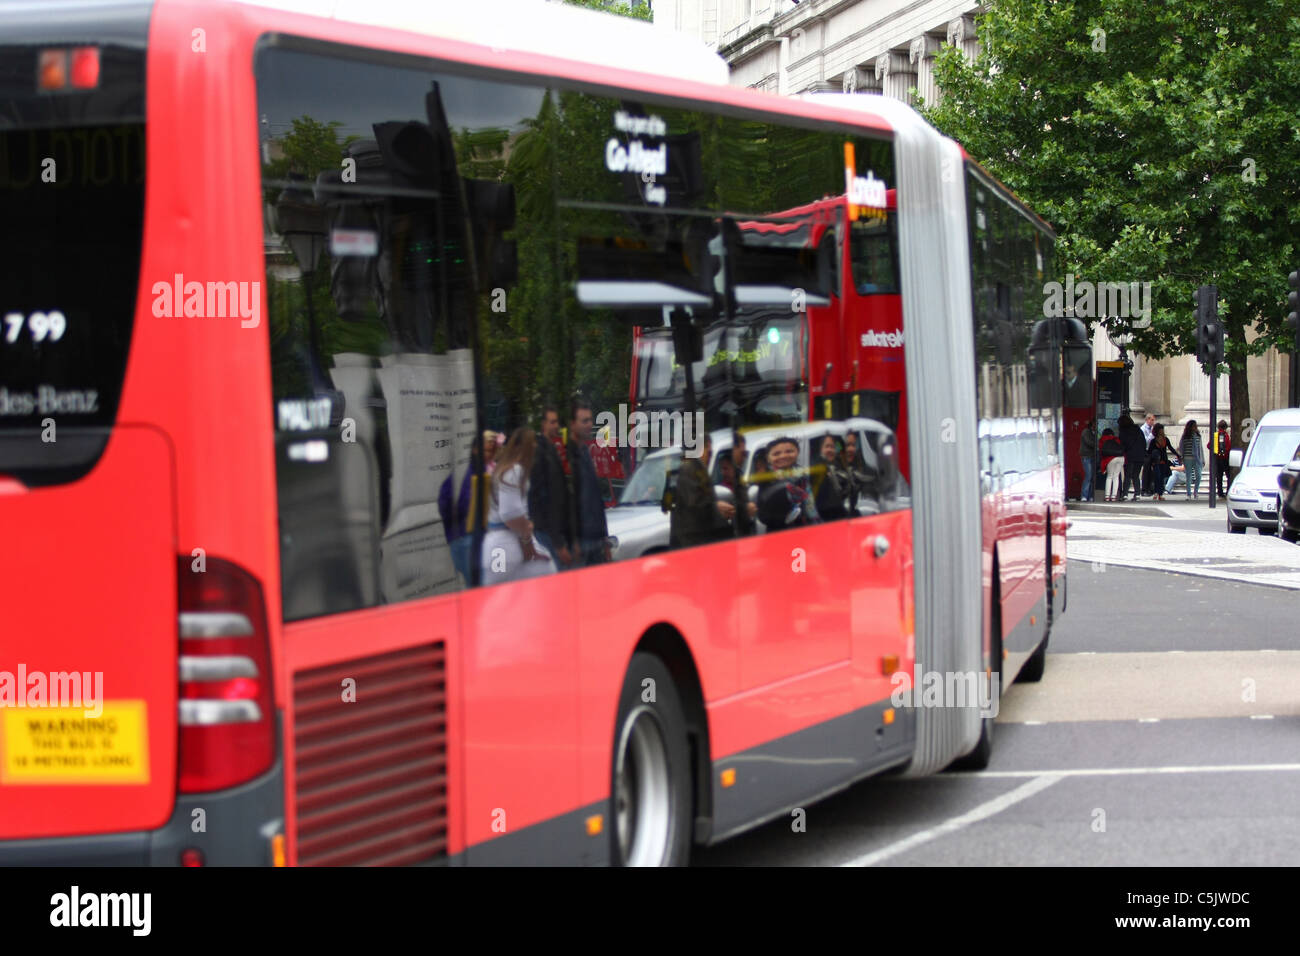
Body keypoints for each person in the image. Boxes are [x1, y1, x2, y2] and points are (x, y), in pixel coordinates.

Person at [481, 427, 556, 585]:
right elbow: (511, 515)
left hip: (498, 548)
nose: (535, 447)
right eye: (532, 444)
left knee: (500, 597)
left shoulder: (502, 469)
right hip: (506, 547)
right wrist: (528, 539)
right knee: (546, 579)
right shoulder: (515, 471)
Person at [528, 405, 574, 569]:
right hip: (549, 531)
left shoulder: (550, 449)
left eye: (557, 422)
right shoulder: (540, 453)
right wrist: (557, 542)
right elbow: (544, 497)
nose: (556, 426)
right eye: (552, 422)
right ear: (543, 424)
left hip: (553, 529)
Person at [566, 398, 610, 566]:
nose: (589, 424)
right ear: (572, 424)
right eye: (584, 421)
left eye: (590, 420)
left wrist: (604, 536)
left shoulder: (584, 451)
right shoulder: (567, 455)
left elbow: (595, 497)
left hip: (595, 537)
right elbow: (568, 502)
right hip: (581, 541)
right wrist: (573, 541)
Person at [670, 433, 734, 547]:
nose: (710, 456)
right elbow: (695, 503)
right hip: (691, 543)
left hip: (697, 541)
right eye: (709, 451)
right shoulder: (689, 467)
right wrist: (716, 506)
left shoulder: (697, 468)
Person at [438, 440, 482, 585]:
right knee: (480, 586)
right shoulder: (462, 477)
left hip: (480, 540)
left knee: (489, 583)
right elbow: (448, 506)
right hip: (466, 539)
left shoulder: (483, 472)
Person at [755, 436, 819, 530]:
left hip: (808, 531)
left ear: (797, 452)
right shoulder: (766, 479)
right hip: (780, 534)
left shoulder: (806, 475)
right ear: (768, 458)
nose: (783, 456)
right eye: (776, 454)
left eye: (789, 451)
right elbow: (763, 516)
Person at [717, 430, 757, 536]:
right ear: (733, 449)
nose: (744, 458)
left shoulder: (740, 479)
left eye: (726, 468)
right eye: (742, 453)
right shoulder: (720, 488)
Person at [813, 434, 850, 521]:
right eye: (827, 446)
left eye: (832, 447)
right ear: (821, 450)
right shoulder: (817, 468)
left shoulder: (837, 465)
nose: (830, 450)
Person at [1118, 414, 1147, 501]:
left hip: (1129, 456)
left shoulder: (1123, 432)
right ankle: (1137, 494)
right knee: (1136, 476)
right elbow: (1144, 443)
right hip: (1140, 456)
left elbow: (1123, 444)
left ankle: (1125, 494)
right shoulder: (1138, 430)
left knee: (1127, 475)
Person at [1146, 424, 1177, 501]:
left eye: (1162, 429)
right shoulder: (1153, 441)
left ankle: (1160, 494)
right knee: (1157, 477)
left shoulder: (1166, 439)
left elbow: (1171, 448)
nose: (1162, 431)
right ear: (1157, 431)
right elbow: (1150, 451)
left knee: (1162, 478)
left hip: (1164, 461)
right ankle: (1156, 492)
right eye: (1160, 429)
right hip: (1156, 462)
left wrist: (1178, 455)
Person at [1178, 419, 1205, 499]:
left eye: (1195, 426)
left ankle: (1195, 492)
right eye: (1194, 426)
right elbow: (1182, 447)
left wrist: (1202, 459)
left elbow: (1201, 448)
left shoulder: (1198, 436)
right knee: (1188, 476)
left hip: (1197, 459)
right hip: (1187, 458)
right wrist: (1181, 457)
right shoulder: (1185, 436)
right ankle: (1189, 494)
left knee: (1199, 475)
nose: (1195, 427)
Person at [1099, 427, 1125, 501]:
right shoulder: (1116, 439)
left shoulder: (1102, 439)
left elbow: (1101, 451)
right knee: (1116, 477)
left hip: (1110, 459)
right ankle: (1114, 496)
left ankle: (1107, 496)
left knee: (1109, 476)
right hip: (1120, 458)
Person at [1079, 420, 1097, 502]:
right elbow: (1089, 442)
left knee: (1092, 477)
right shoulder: (1086, 432)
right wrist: (1097, 443)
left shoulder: (1094, 432)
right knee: (1088, 476)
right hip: (1086, 456)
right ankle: (1084, 495)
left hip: (1092, 456)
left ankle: (1090, 496)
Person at [1212, 419, 1231, 497]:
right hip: (1226, 458)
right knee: (1228, 475)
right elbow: (1229, 446)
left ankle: (1220, 492)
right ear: (1226, 427)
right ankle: (1228, 491)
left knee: (1219, 476)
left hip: (1217, 458)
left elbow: (1209, 445)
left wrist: (1216, 450)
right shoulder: (1226, 436)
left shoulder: (1216, 435)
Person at [1139, 413, 1157, 495]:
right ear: (1147, 420)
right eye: (1152, 420)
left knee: (1151, 471)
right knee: (1146, 471)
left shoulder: (1152, 428)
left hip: (1152, 451)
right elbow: (1145, 441)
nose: (1153, 422)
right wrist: (1152, 434)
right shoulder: (1143, 429)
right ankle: (1144, 489)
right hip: (1145, 451)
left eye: (1154, 420)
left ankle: (1150, 489)